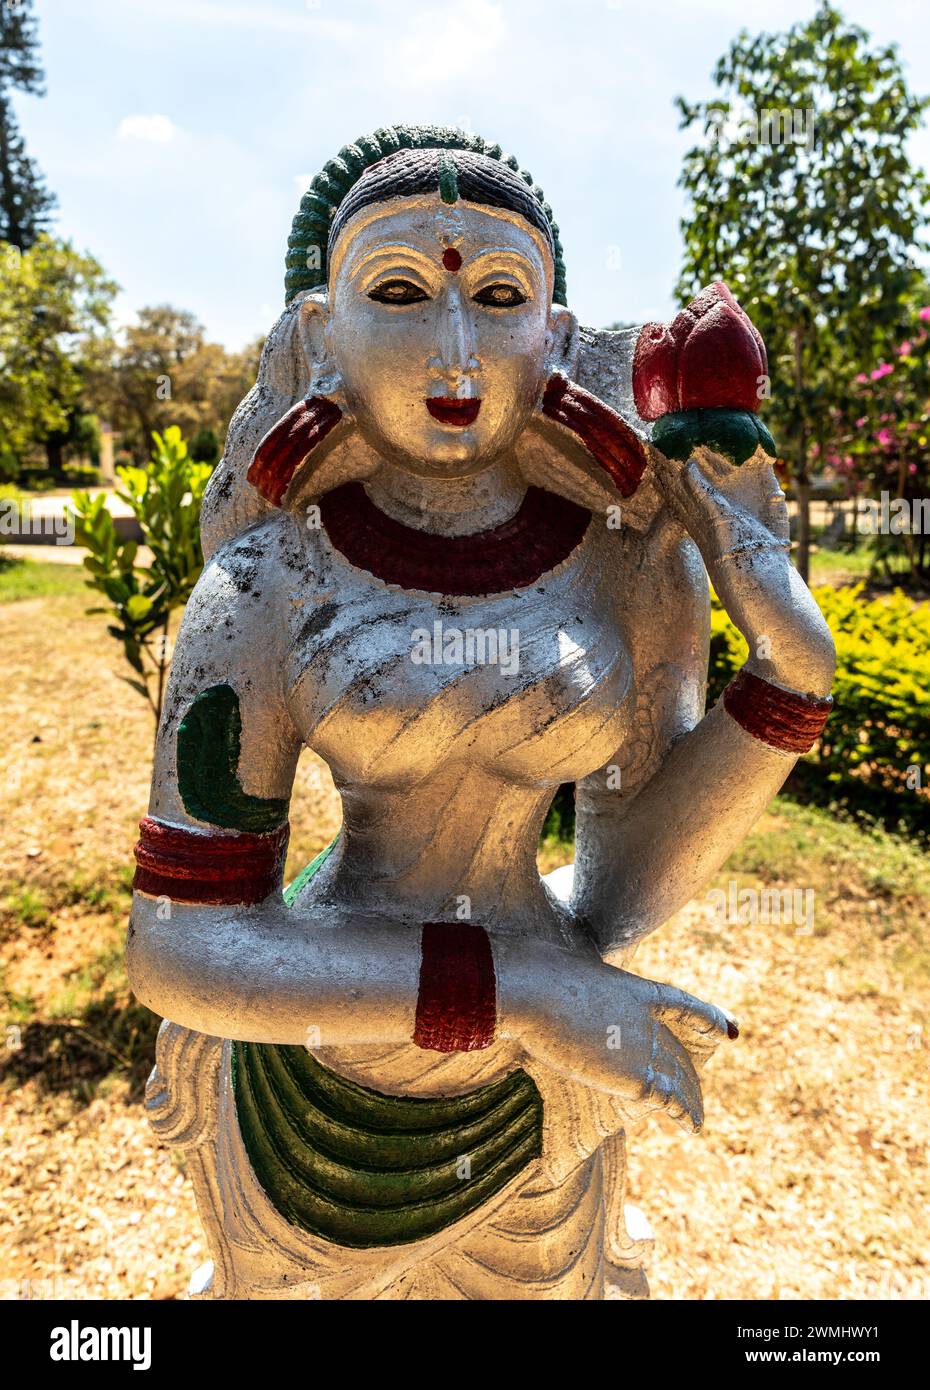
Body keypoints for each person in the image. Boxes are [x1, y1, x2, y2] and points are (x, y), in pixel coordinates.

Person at [128, 127, 834, 1300]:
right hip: (317, 1085)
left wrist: (790, 680)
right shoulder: (264, 584)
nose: (455, 347)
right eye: (399, 292)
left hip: (538, 1097)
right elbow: (181, 944)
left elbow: (614, 890)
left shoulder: (630, 567)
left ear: (552, 334)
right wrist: (528, 994)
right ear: (322, 334)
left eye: (498, 295)